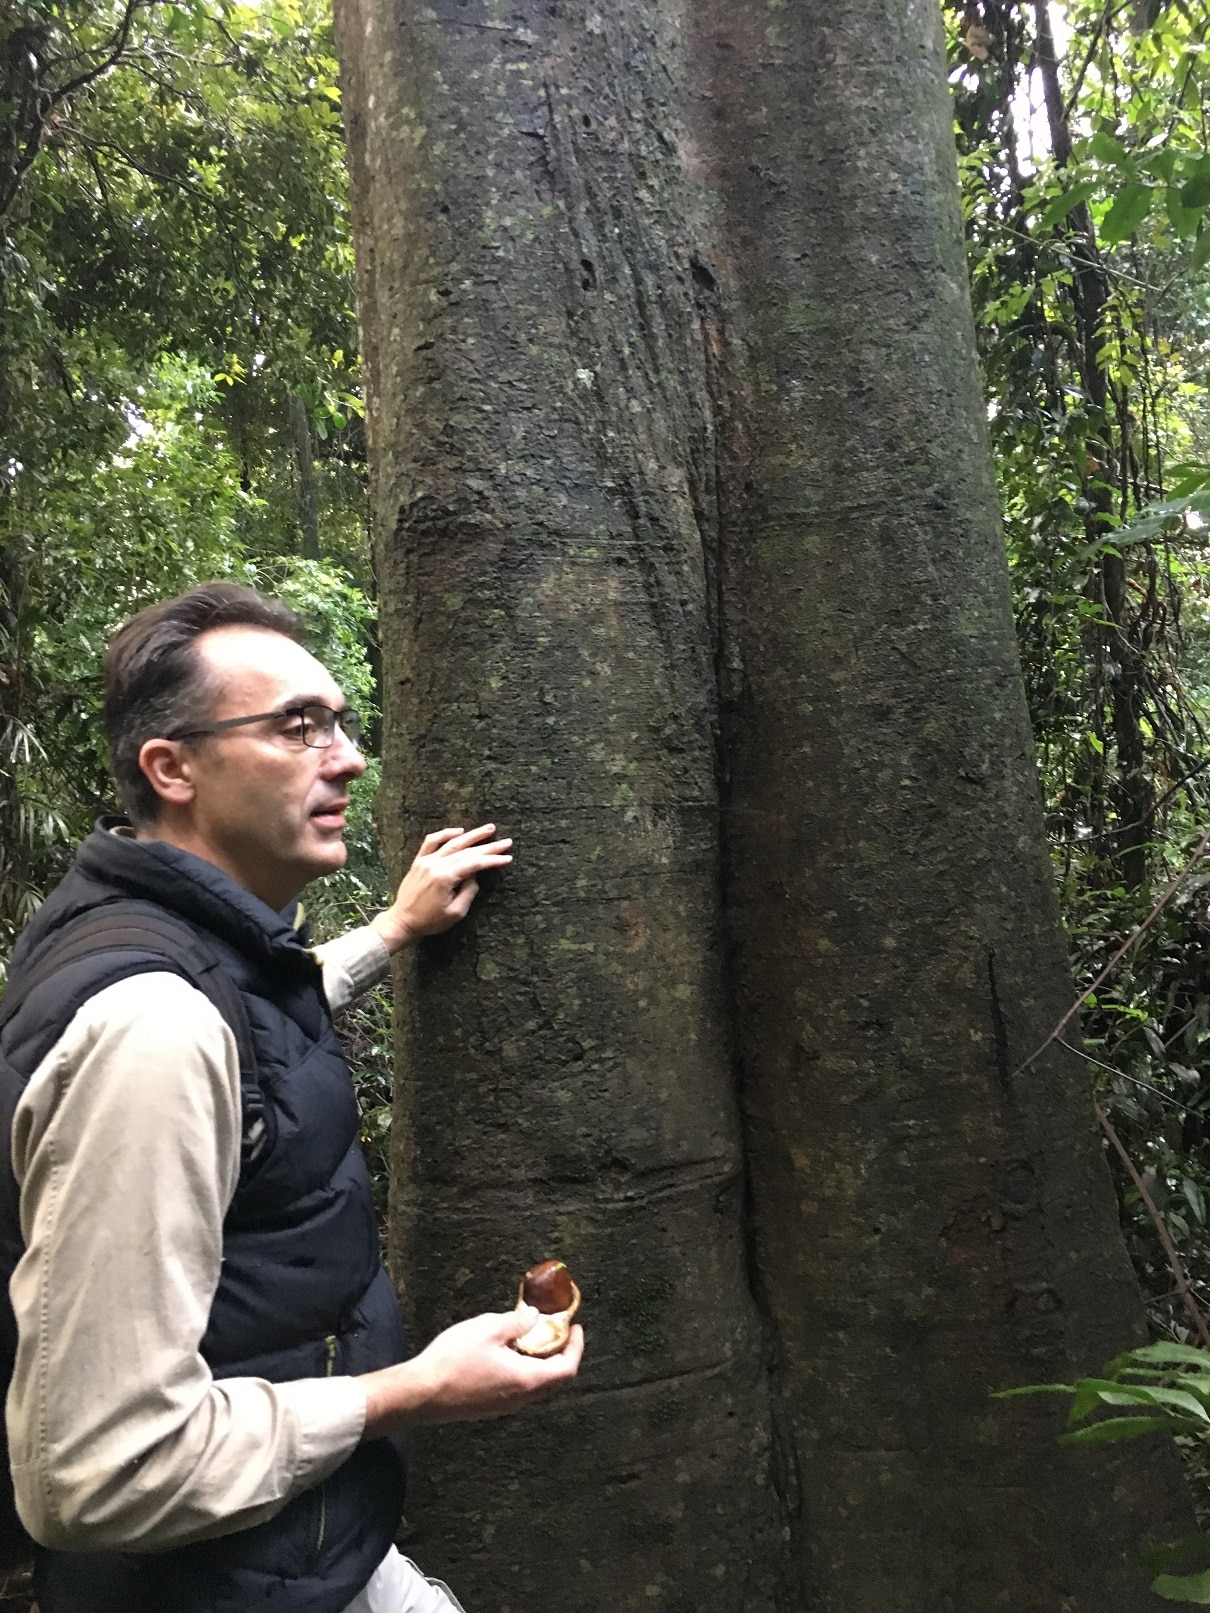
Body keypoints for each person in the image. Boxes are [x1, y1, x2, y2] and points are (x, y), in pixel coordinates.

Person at [0, 582, 583, 1613]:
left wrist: (389, 933)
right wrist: (416, 1391)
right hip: (202, 1580)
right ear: (171, 767)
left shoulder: (132, 921)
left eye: (341, 722)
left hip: (298, 1546)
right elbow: (96, 1474)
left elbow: (247, 1028)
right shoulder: (152, 1028)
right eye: (297, 725)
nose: (348, 756)